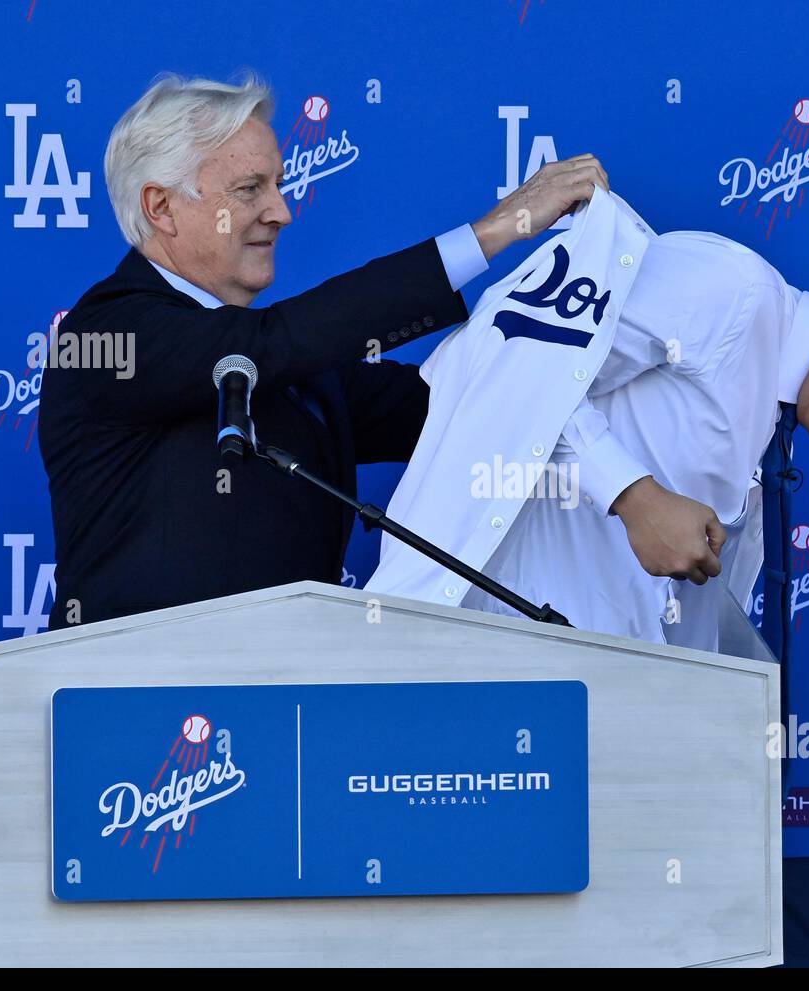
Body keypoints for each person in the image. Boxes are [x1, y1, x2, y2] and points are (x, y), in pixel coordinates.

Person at [38, 72, 610, 630]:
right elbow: (265, 345)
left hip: (290, 702)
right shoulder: (106, 337)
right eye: (248, 190)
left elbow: (459, 409)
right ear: (161, 208)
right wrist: (494, 232)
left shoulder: (296, 367)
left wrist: (623, 444)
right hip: (137, 706)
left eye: (279, 185)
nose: (281, 212)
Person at [367, 189, 809, 652]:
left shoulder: (772, 428)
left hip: (595, 725)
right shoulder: (730, 292)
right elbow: (514, 352)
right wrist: (632, 493)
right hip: (485, 670)